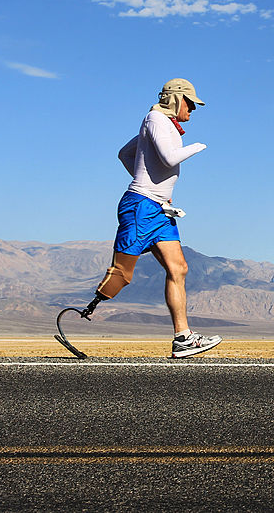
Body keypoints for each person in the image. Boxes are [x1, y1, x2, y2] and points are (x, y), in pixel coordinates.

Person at [79, 78, 222, 358]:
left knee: (179, 268)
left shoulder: (162, 125)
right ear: (177, 99)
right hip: (140, 206)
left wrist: (152, 183)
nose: (192, 110)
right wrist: (197, 147)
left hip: (158, 209)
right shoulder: (155, 118)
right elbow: (169, 159)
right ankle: (85, 310)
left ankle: (183, 338)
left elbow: (125, 154)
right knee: (121, 275)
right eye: (190, 104)